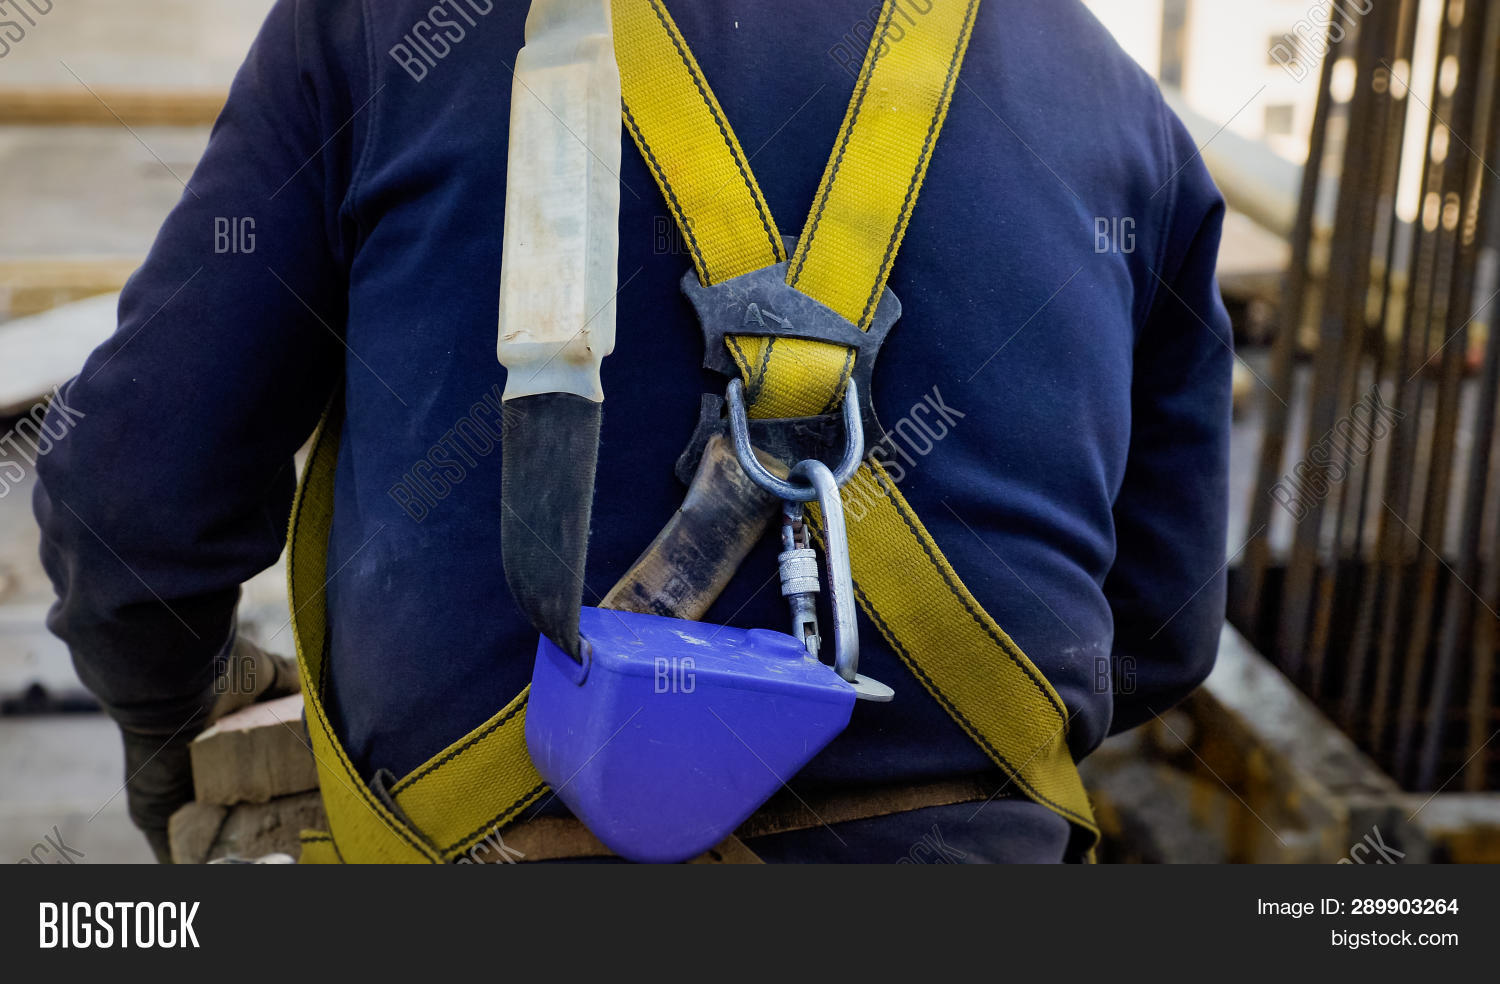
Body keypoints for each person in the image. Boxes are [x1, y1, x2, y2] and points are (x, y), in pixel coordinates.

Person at [34, 0, 1231, 863]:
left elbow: (131, 508)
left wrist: (168, 728)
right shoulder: (1115, 102)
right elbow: (1164, 633)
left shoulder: (387, 30)